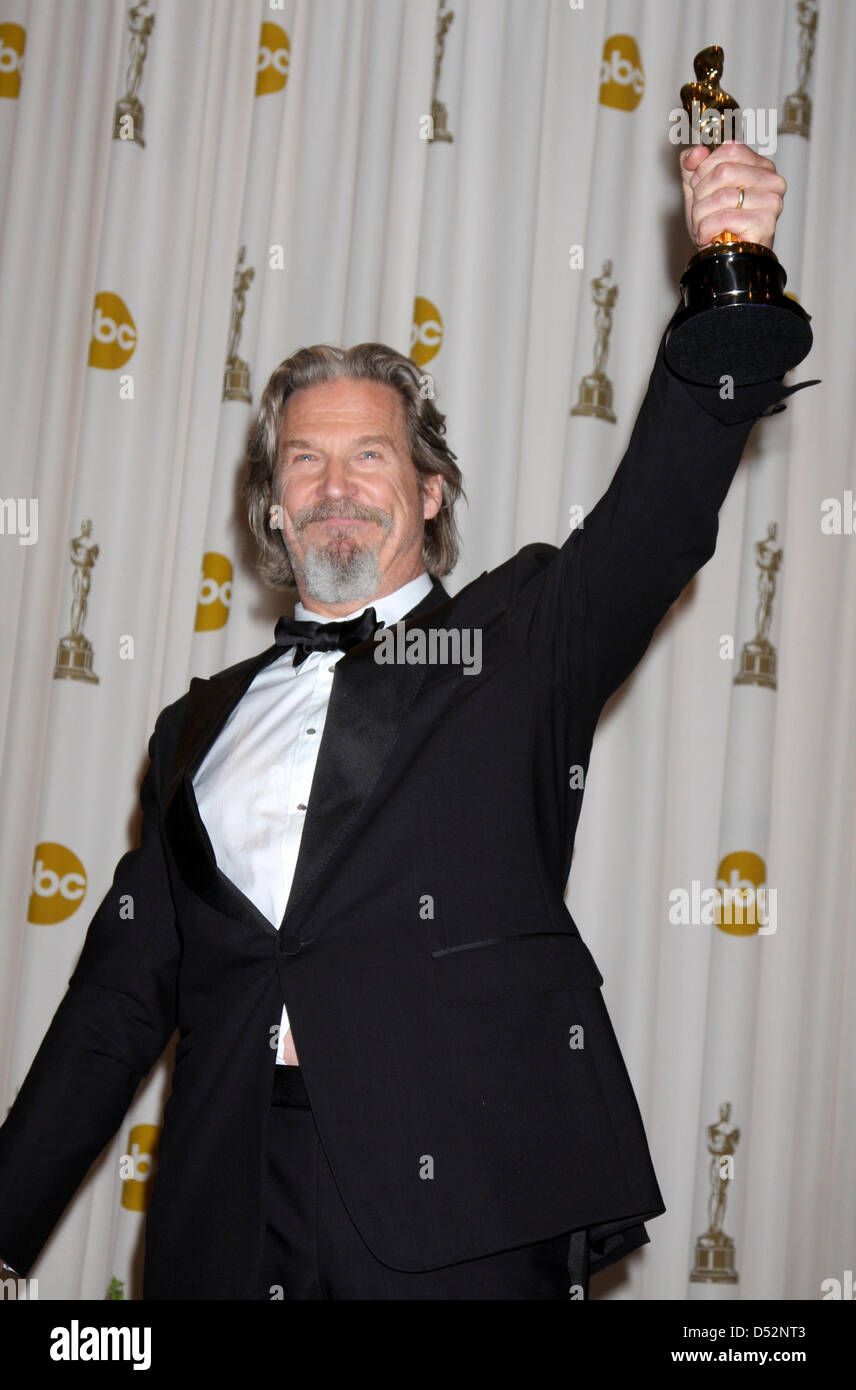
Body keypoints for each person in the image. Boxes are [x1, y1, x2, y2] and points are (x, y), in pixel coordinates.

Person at [0, 141, 812, 1299]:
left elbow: (658, 515)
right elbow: (119, 1000)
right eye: (304, 460)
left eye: (368, 455)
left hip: (461, 1217)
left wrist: (728, 278)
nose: (333, 484)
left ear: (429, 491)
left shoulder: (521, 636)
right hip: (220, 1220)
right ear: (271, 509)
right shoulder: (193, 726)